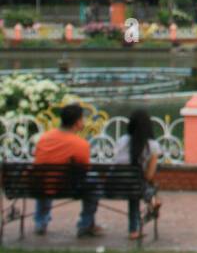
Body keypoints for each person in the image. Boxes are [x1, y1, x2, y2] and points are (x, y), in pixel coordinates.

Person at [33, 102, 104, 238]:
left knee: (45, 177)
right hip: (66, 187)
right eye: (82, 118)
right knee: (93, 179)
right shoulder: (80, 144)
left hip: (41, 185)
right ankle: (85, 224)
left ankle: (40, 222)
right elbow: (85, 169)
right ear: (77, 122)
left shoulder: (45, 138)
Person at [113, 108, 160, 240]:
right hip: (135, 187)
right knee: (146, 186)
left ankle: (135, 227)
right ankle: (153, 201)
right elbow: (149, 176)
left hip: (115, 186)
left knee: (134, 186)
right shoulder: (152, 146)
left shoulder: (122, 141)